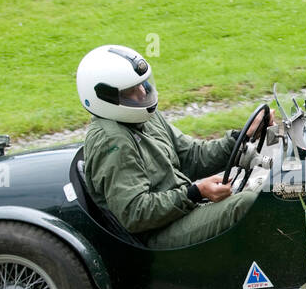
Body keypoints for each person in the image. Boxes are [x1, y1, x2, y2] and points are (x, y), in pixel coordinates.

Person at [77, 44, 270, 250]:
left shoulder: (143, 117)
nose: (142, 92)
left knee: (268, 190)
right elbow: (135, 213)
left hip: (179, 212)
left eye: (142, 84)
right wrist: (195, 192)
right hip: (157, 233)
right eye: (132, 90)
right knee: (246, 205)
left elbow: (193, 156)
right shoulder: (112, 141)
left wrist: (242, 136)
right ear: (106, 97)